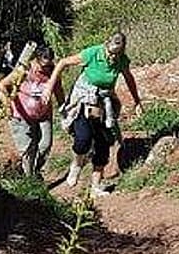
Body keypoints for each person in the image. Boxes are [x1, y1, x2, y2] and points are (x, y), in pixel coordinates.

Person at [43, 32, 144, 197]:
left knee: (103, 145)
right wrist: (49, 87)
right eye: (111, 52)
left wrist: (137, 100)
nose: (113, 57)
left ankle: (96, 186)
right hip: (84, 100)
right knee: (83, 139)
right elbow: (62, 63)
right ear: (106, 45)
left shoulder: (122, 60)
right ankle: (76, 165)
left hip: (104, 102)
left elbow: (129, 78)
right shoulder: (93, 53)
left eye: (117, 53)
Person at [0, 44, 63, 179]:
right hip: (20, 115)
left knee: (45, 144)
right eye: (43, 66)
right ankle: (30, 178)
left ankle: (34, 169)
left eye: (49, 65)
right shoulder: (24, 70)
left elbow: (59, 92)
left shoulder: (53, 72)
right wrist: (7, 106)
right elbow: (2, 86)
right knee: (28, 149)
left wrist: (64, 109)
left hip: (44, 114)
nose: (46, 68)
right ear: (36, 60)